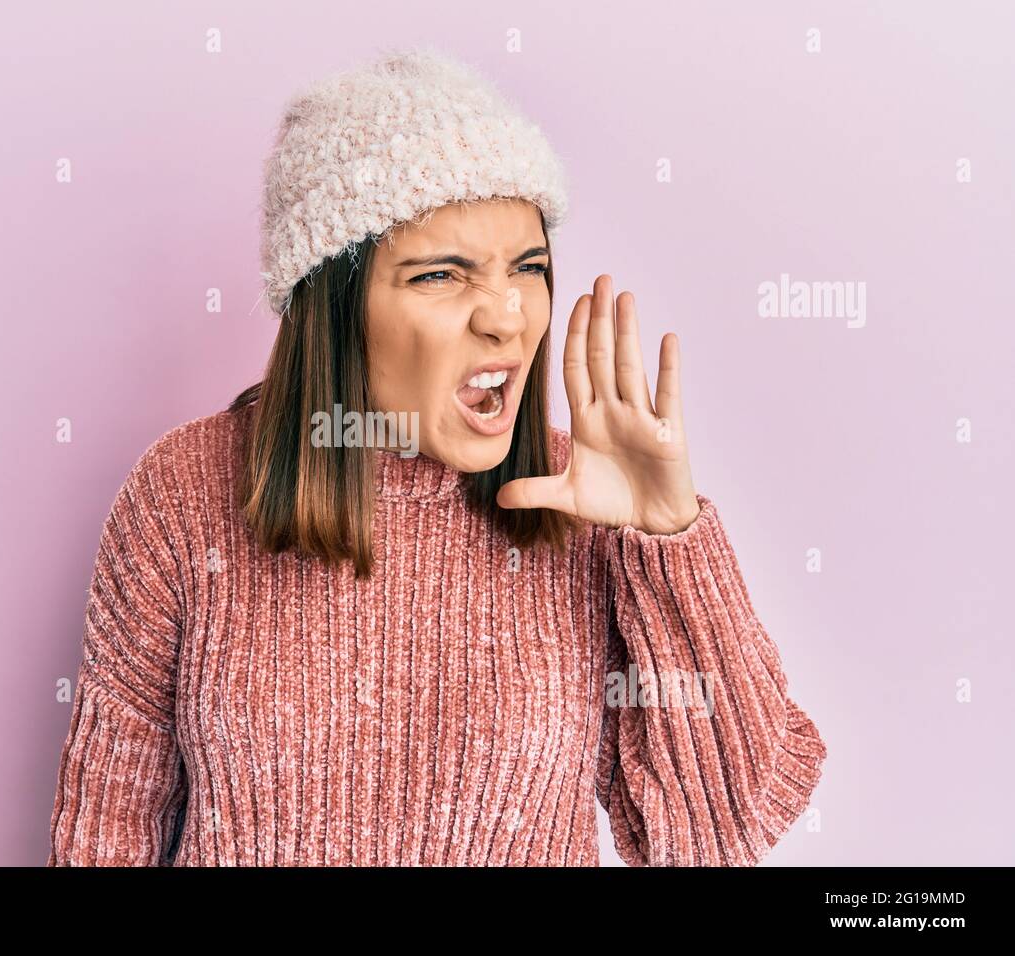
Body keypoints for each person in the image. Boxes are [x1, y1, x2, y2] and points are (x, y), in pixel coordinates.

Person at [46, 45, 827, 867]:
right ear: (337, 306)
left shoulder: (583, 505)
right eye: (441, 276)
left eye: (528, 268)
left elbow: (726, 829)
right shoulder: (185, 493)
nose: (505, 317)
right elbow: (104, 836)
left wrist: (668, 538)